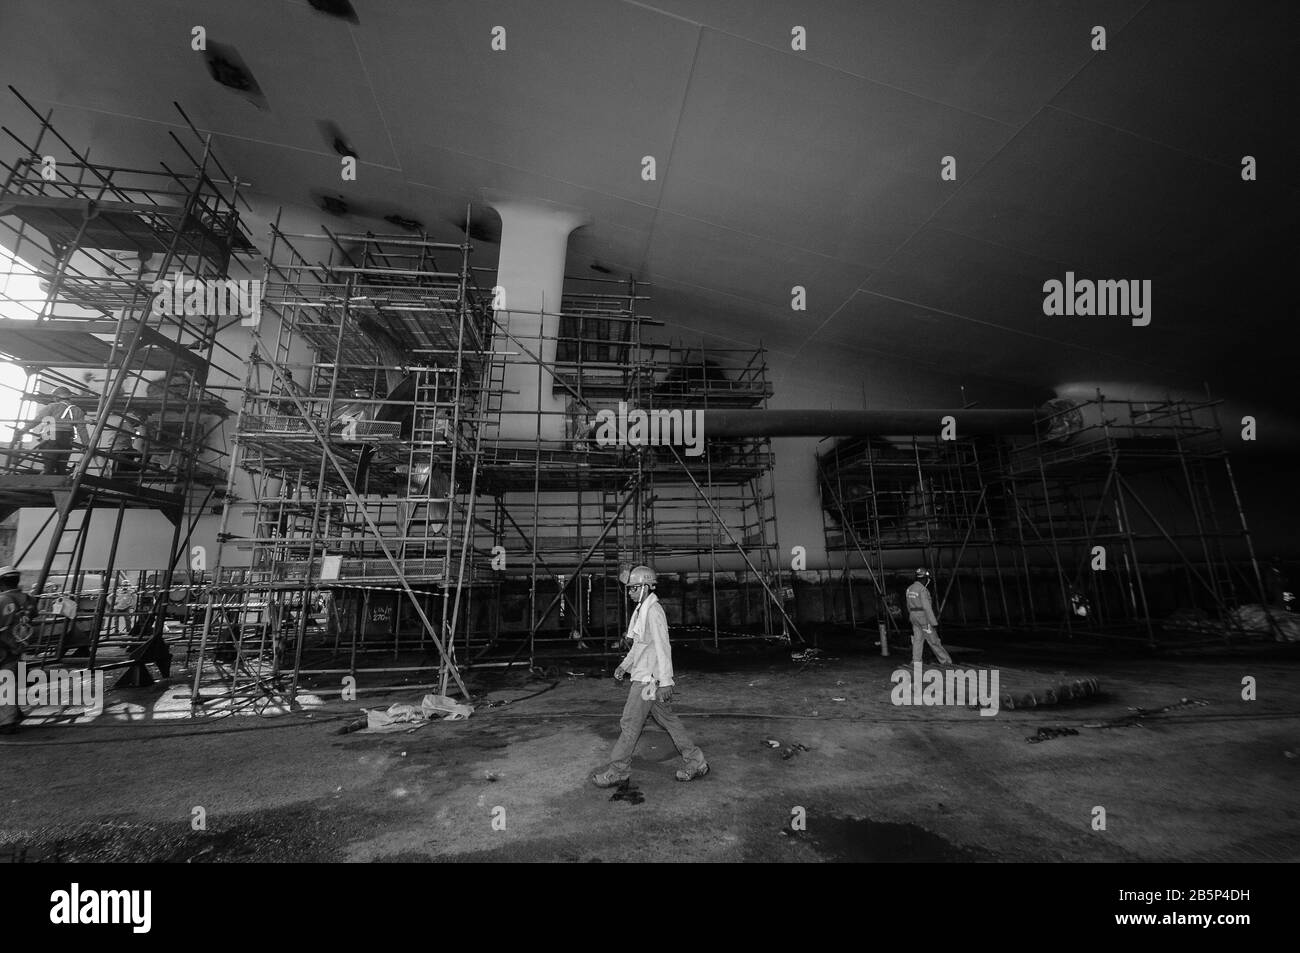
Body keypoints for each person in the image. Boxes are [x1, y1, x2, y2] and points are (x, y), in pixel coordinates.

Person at [590, 565, 708, 787]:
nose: (630, 592)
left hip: (648, 682)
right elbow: (639, 646)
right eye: (629, 588)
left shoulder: (653, 612)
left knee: (629, 723)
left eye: (634, 588)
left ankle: (618, 770)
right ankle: (697, 761)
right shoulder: (641, 610)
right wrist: (624, 666)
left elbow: (664, 648)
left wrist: (665, 682)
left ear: (645, 587)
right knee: (669, 721)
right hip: (647, 677)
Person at [14, 386, 90, 475]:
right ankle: (59, 486)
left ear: (56, 397)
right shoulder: (77, 410)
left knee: (49, 467)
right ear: (69, 397)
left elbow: (37, 420)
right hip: (67, 439)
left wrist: (22, 431)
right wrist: (87, 445)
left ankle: (43, 486)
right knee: (61, 468)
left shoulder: (52, 407)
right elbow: (82, 429)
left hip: (50, 437)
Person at [0, 566, 31, 734]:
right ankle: (13, 714)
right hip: (18, 646)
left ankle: (6, 722)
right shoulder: (26, 599)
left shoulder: (3, 600)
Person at [906, 568, 952, 665]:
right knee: (933, 640)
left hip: (913, 617)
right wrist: (934, 622)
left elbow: (908, 605)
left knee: (917, 640)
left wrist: (911, 616)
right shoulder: (922, 590)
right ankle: (945, 661)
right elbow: (927, 607)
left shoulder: (909, 588)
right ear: (925, 578)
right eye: (927, 578)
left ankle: (916, 661)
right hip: (923, 618)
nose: (928, 580)